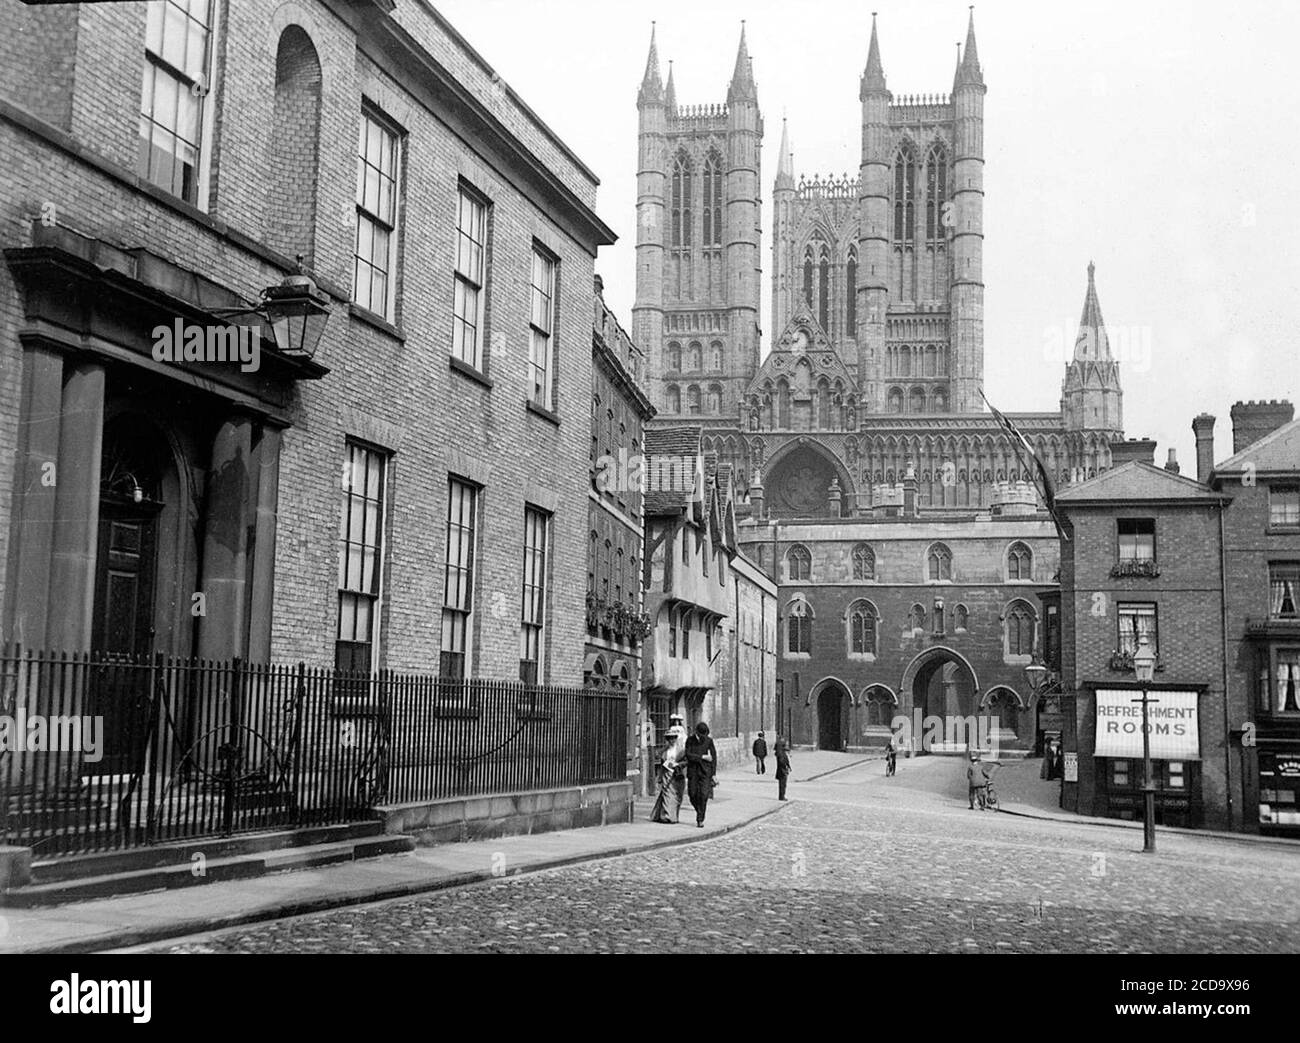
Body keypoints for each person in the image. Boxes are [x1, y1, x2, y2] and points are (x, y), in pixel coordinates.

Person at [684, 721, 718, 827]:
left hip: (705, 772)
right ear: (696, 733)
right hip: (693, 771)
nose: (703, 737)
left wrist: (713, 774)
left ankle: (700, 819)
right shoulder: (690, 740)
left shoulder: (709, 741)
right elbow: (688, 755)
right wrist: (702, 757)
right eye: (701, 734)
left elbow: (713, 758)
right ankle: (700, 810)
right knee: (692, 794)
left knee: (703, 795)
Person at [649, 724, 686, 824]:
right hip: (666, 774)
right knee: (666, 794)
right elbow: (659, 758)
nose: (671, 740)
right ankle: (666, 816)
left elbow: (685, 761)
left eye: (673, 738)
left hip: (677, 775)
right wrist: (659, 777)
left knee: (676, 796)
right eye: (669, 738)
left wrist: (678, 765)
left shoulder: (681, 750)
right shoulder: (665, 750)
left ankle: (673, 815)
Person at [774, 735, 792, 801]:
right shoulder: (781, 754)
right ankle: (782, 796)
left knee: (783, 784)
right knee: (782, 784)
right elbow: (782, 762)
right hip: (782, 771)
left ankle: (782, 796)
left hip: (782, 770)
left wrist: (788, 766)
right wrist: (786, 767)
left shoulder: (781, 753)